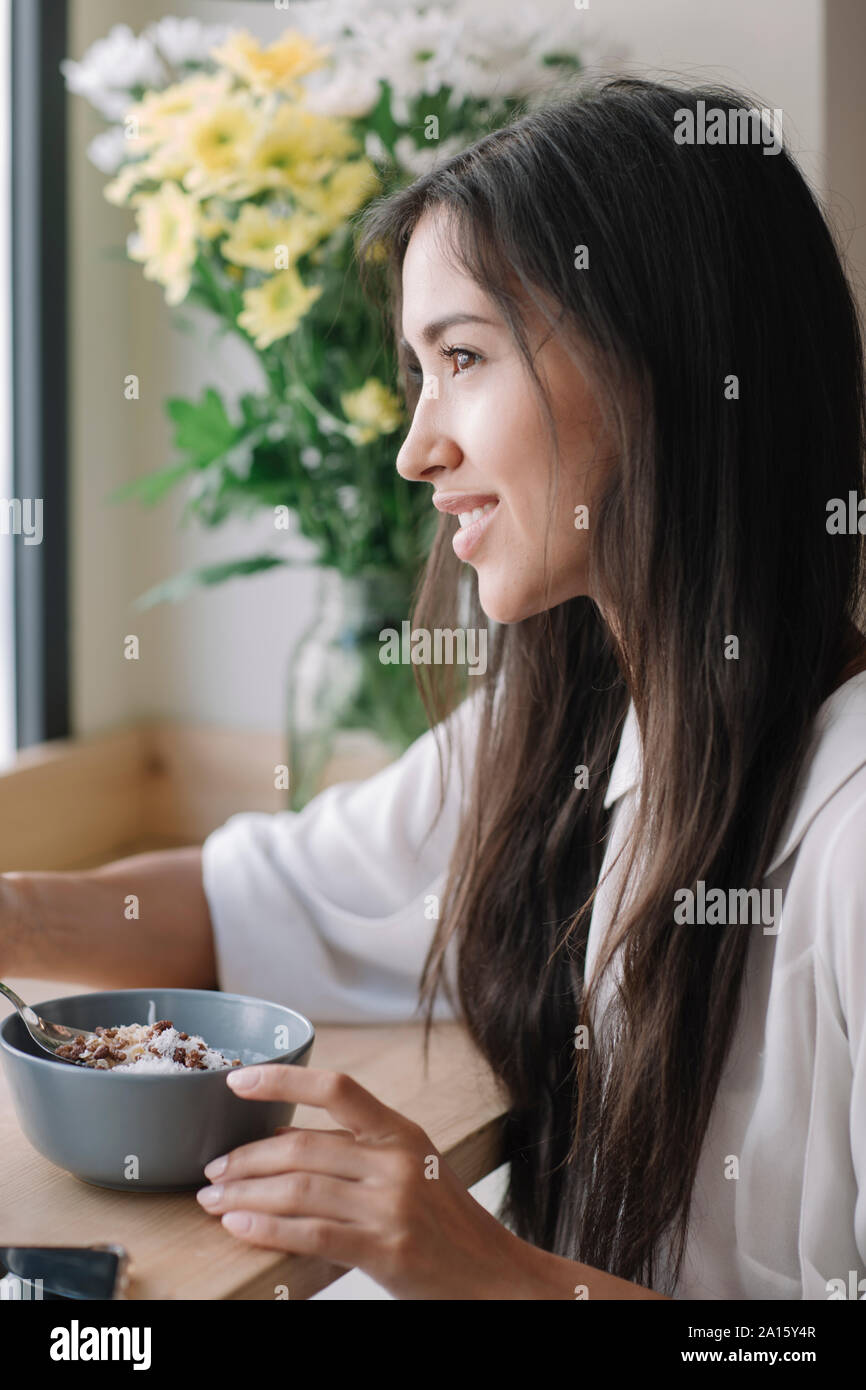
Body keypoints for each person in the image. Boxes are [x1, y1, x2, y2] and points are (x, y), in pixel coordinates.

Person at [3, 76, 866, 1300]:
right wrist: (13, 912)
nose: (417, 448)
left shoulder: (848, 833)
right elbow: (259, 897)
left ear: (664, 362)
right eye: (416, 370)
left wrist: (498, 1276)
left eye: (461, 356)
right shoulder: (570, 720)